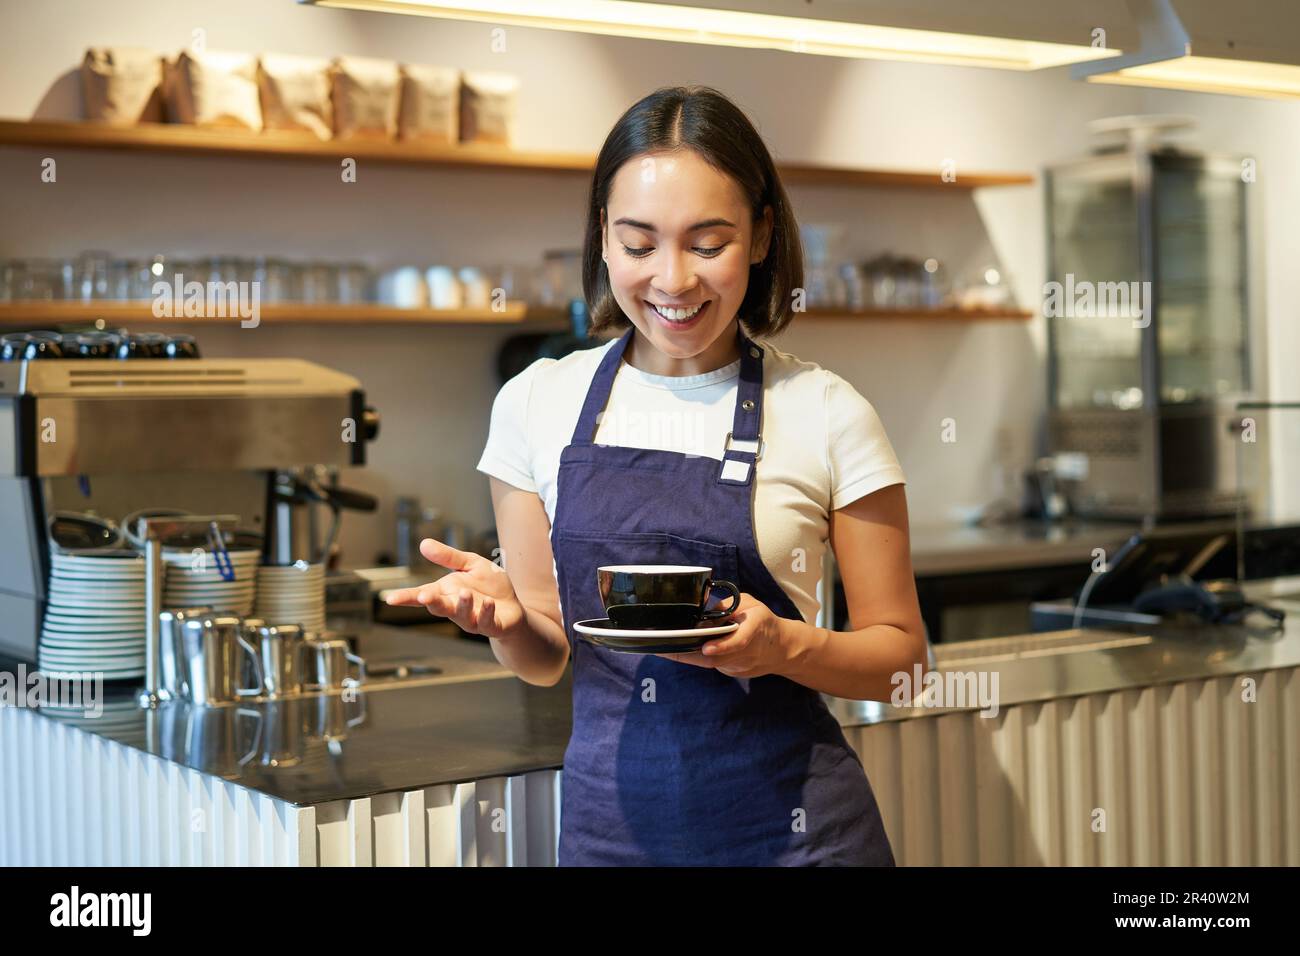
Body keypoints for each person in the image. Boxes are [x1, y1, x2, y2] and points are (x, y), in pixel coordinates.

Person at [387, 85, 930, 865]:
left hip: (800, 838)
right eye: (639, 245)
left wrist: (783, 648)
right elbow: (548, 658)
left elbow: (905, 663)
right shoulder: (536, 401)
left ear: (763, 235)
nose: (673, 281)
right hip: (613, 835)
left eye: (708, 243)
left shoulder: (827, 412)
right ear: (602, 238)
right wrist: (505, 623)